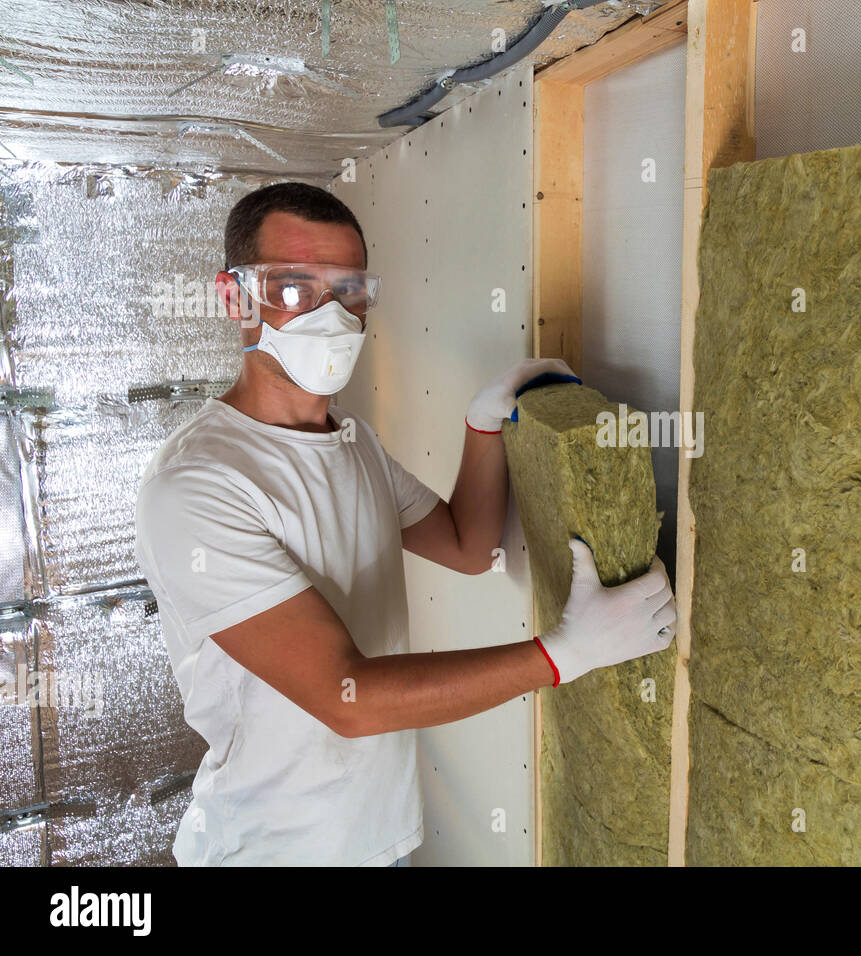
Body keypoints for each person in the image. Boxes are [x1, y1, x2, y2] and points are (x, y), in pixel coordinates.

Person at [133, 182, 676, 866]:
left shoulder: (350, 443)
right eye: (294, 288)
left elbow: (467, 546)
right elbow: (345, 697)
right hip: (271, 851)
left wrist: (483, 428)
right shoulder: (196, 485)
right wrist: (561, 656)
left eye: (350, 290)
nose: (331, 314)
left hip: (378, 835)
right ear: (235, 298)